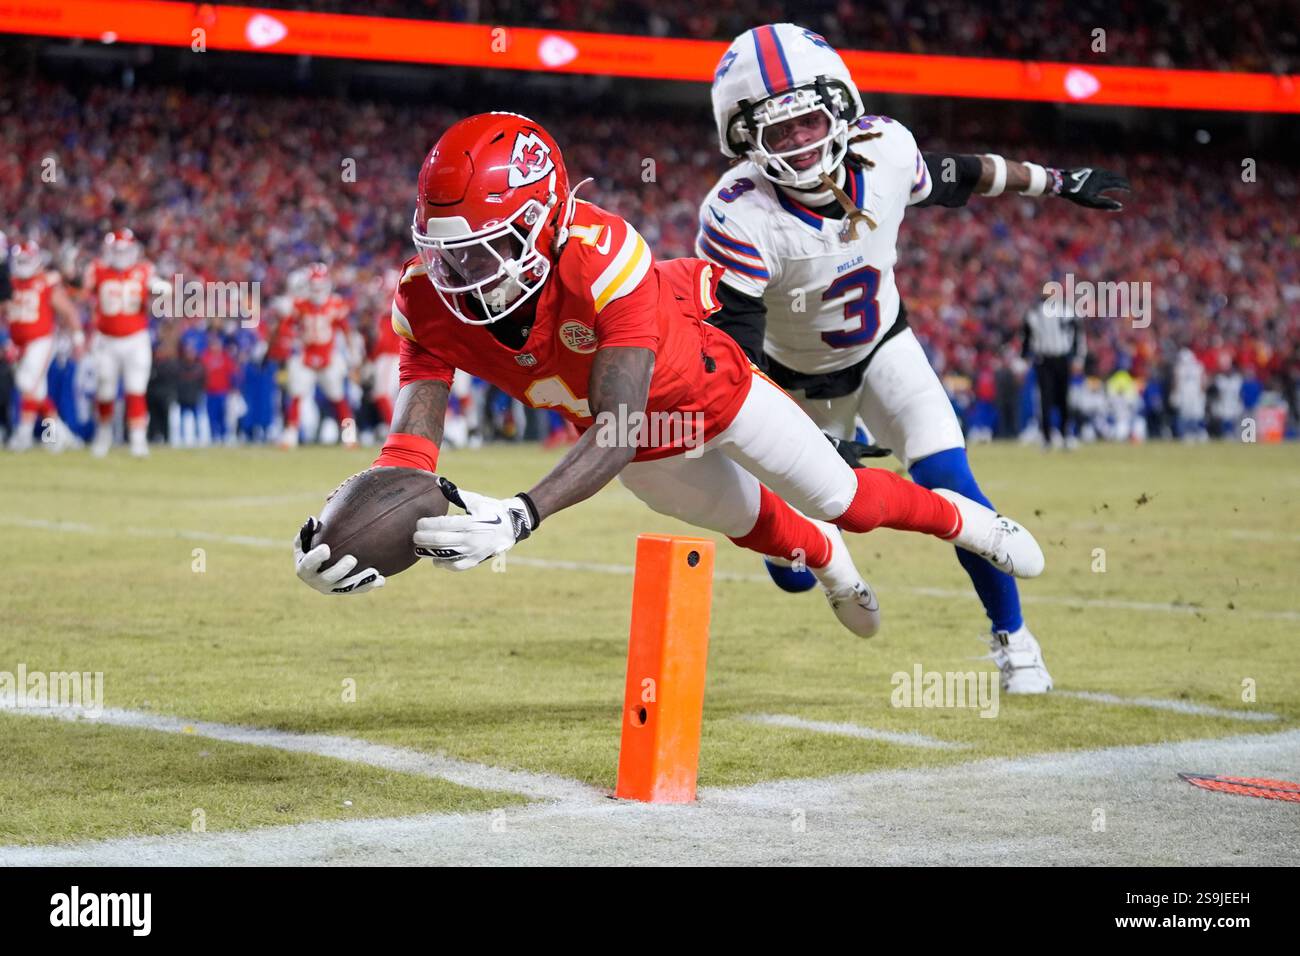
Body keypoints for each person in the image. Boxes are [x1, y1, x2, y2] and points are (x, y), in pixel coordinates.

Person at [293, 113, 1046, 642]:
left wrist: (520, 514)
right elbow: (410, 452)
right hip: (634, 446)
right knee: (766, 529)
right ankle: (835, 571)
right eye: (450, 253)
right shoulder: (426, 298)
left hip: (707, 391)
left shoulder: (600, 253)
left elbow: (619, 423)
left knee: (844, 499)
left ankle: (973, 524)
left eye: (489, 249)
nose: (462, 275)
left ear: (547, 220)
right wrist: (356, 528)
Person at [695, 24, 1128, 690]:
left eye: (809, 121)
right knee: (790, 569)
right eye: (779, 134)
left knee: (959, 492)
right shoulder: (738, 215)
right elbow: (735, 354)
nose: (801, 145)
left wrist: (1056, 180)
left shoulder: (886, 149)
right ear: (744, 141)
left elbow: (964, 174)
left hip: (884, 352)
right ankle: (815, 537)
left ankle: (1015, 641)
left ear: (839, 107)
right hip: (790, 384)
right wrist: (796, 437)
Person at [3, 240, 83, 451]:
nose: (21, 264)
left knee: (27, 384)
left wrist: (78, 340)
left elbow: (68, 310)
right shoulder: (9, 282)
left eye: (25, 260)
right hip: (18, 344)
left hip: (41, 340)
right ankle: (59, 436)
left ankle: (23, 435)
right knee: (36, 393)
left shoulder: (45, 282)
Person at [85, 229, 157, 457]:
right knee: (105, 389)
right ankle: (104, 434)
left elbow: (159, 299)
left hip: (136, 338)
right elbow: (84, 294)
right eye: (117, 250)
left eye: (124, 250)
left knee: (135, 389)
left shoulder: (145, 270)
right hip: (105, 339)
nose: (121, 255)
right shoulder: (96, 269)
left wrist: (161, 293)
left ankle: (138, 439)